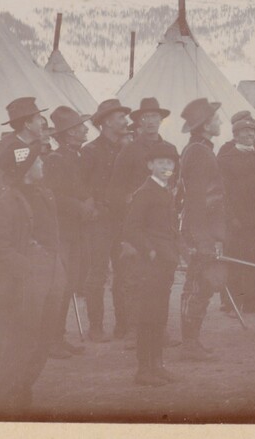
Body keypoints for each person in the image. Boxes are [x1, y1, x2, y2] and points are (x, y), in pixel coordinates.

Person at [0, 97, 50, 376]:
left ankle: (0, 355)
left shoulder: (17, 145)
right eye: (38, 118)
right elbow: (17, 166)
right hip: (8, 222)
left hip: (16, 218)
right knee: (4, 294)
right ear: (28, 123)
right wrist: (40, 148)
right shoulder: (14, 147)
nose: (42, 122)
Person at [0, 140, 63, 415]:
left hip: (52, 273)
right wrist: (28, 266)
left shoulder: (44, 193)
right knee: (22, 341)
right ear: (27, 169)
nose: (42, 163)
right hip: (27, 281)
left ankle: (22, 390)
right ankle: (5, 401)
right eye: (37, 161)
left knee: (44, 339)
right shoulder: (6, 201)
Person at [107, 97, 177, 343]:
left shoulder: (169, 149)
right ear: (138, 122)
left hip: (159, 224)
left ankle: (159, 330)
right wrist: (130, 202)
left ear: (161, 120)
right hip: (135, 224)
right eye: (145, 118)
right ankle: (129, 328)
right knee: (131, 277)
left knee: (161, 278)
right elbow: (115, 187)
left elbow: (173, 181)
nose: (151, 122)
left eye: (155, 117)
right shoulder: (129, 150)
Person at [121, 141, 181, 386]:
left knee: (159, 316)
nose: (166, 166)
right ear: (150, 165)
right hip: (151, 264)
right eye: (160, 163)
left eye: (170, 163)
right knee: (148, 317)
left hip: (166, 263)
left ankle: (157, 365)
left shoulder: (166, 190)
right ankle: (143, 370)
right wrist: (151, 251)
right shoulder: (146, 192)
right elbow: (131, 228)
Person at [177, 97, 227, 359]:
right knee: (198, 284)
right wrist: (203, 238)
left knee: (202, 284)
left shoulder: (200, 149)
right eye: (216, 119)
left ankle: (191, 341)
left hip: (203, 229)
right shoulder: (199, 152)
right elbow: (197, 200)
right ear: (206, 125)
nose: (220, 121)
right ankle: (189, 343)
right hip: (200, 230)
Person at [42, 106, 93, 358]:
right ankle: (50, 340)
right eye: (79, 127)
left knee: (70, 283)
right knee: (59, 286)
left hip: (78, 229)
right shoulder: (55, 160)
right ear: (68, 133)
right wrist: (79, 205)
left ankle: (58, 337)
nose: (85, 129)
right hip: (62, 231)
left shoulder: (79, 156)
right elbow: (52, 195)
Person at [80, 98, 131, 341]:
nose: (126, 121)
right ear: (107, 122)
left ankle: (123, 325)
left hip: (122, 221)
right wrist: (93, 205)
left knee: (124, 273)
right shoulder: (89, 151)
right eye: (121, 117)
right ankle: (96, 327)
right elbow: (81, 185)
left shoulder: (127, 149)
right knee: (97, 274)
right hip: (100, 222)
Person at [217, 110, 255, 313]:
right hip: (236, 221)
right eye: (246, 132)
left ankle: (254, 302)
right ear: (236, 134)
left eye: (253, 132)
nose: (251, 135)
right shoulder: (226, 158)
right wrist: (231, 218)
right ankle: (234, 304)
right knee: (236, 262)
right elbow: (223, 193)